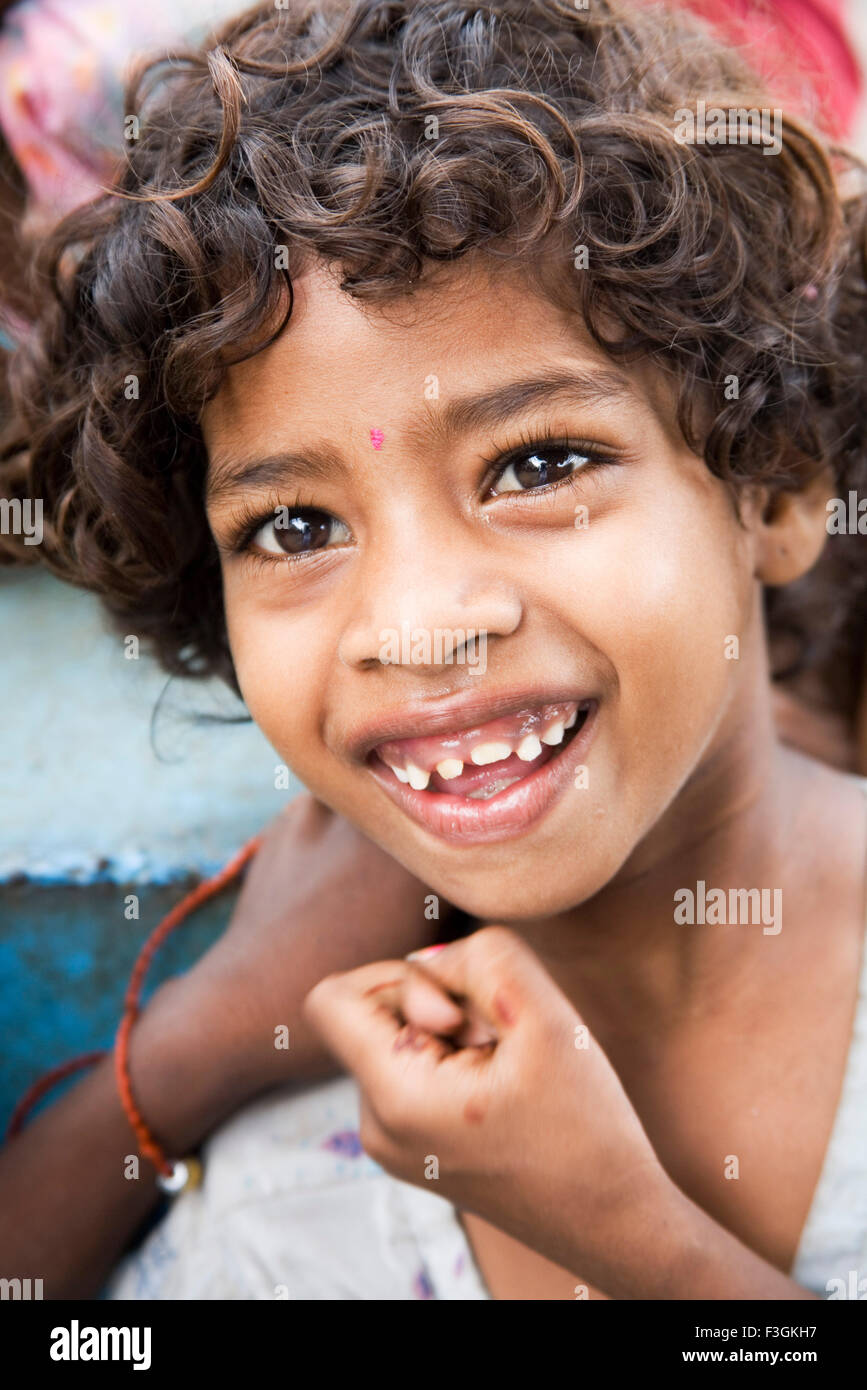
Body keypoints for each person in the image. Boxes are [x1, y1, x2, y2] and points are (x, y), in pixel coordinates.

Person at [1, 0, 866, 1299]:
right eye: (293, 525)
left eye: (539, 463)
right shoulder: (280, 1204)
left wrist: (641, 1247)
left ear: (778, 487)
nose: (418, 624)